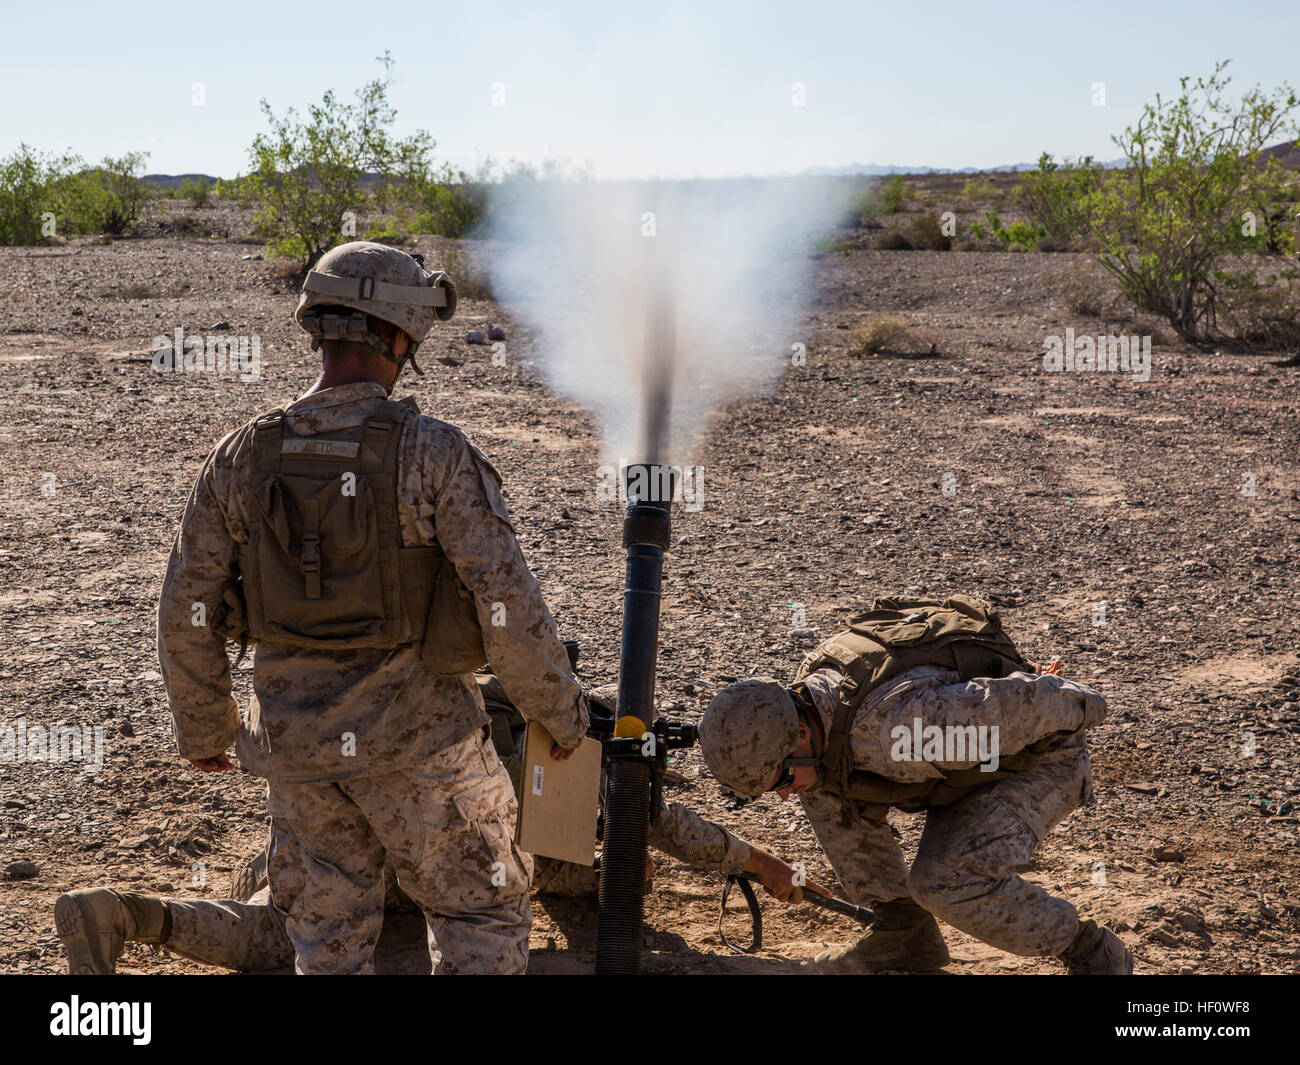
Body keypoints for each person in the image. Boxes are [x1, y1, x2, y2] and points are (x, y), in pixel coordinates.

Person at [123, 240, 588, 975]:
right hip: (423, 743)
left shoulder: (241, 454)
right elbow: (507, 602)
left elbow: (186, 603)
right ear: (400, 334)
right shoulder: (431, 451)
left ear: (320, 326)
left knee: (327, 939)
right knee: (479, 910)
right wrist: (559, 714)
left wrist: (205, 724)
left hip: (298, 748)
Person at [56, 680, 816, 974]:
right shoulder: (565, 745)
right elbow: (656, 824)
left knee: (275, 933)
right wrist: (752, 859)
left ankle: (128, 914)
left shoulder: (460, 715)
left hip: (342, 825)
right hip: (444, 889)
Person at [697, 594, 1134, 974]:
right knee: (821, 782)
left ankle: (1091, 950)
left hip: (1039, 762)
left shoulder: (904, 732)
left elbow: (1046, 705)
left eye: (782, 778)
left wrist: (1077, 697)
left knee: (945, 882)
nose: (785, 793)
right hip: (954, 761)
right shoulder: (803, 703)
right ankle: (902, 930)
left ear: (801, 734)